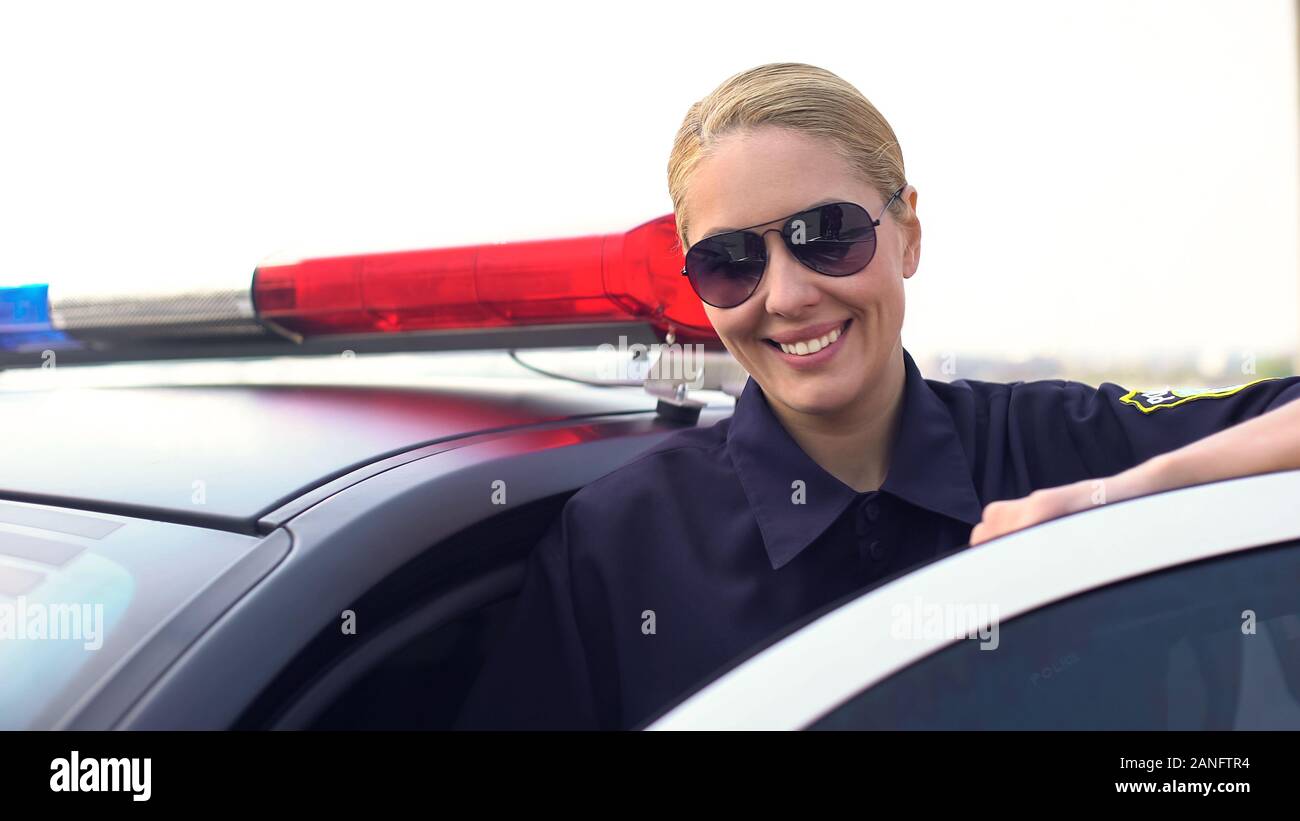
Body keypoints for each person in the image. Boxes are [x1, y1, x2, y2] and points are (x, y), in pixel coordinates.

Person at [453, 62, 1300, 731]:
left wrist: (1129, 496)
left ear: (909, 233)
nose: (785, 296)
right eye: (731, 261)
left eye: (828, 236)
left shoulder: (1062, 449)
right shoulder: (621, 540)